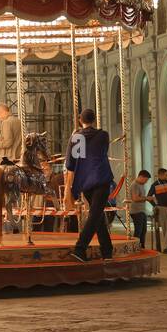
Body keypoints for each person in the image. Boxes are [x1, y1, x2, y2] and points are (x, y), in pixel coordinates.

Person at [65, 108, 116, 262]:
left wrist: (70, 187)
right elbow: (103, 151)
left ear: (81, 120)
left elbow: (71, 163)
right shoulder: (103, 135)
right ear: (94, 119)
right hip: (101, 178)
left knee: (97, 215)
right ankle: (80, 248)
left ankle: (107, 251)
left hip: (85, 182)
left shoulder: (76, 137)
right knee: (95, 215)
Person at [127, 170, 153, 248]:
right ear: (141, 177)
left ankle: (141, 246)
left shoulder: (141, 185)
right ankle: (136, 247)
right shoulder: (134, 185)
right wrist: (147, 198)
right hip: (136, 211)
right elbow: (135, 198)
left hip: (141, 210)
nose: (146, 182)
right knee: (138, 230)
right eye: (146, 180)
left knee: (143, 230)